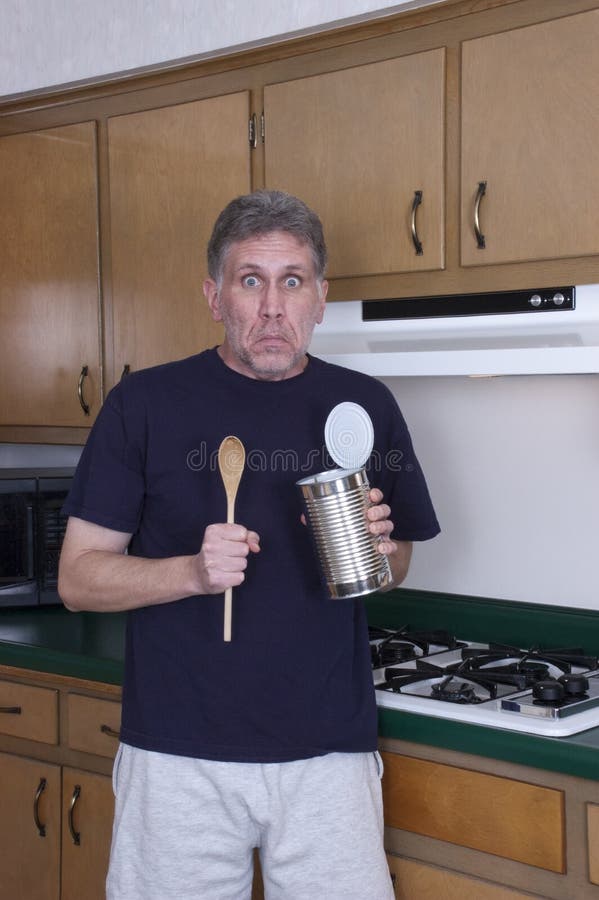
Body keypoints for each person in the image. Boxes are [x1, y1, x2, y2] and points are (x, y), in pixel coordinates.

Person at [58, 189, 440, 900]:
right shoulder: (143, 406)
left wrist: (376, 554)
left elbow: (399, 561)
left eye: (292, 281)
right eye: (250, 280)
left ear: (320, 297)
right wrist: (191, 573)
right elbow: (79, 578)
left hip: (328, 754)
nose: (272, 307)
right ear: (214, 295)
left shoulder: (364, 408)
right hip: (177, 757)